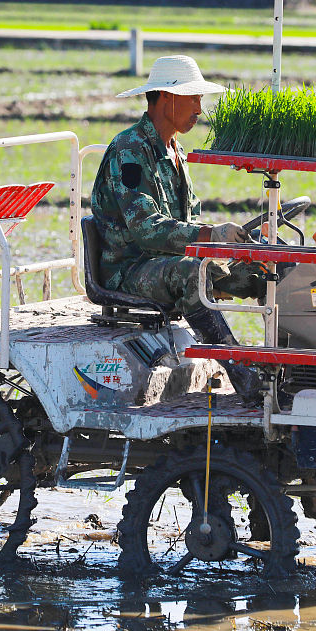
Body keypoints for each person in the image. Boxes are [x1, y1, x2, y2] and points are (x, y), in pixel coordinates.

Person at [90, 55, 267, 404]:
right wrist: (212, 236)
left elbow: (188, 219)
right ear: (167, 97)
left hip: (165, 261)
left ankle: (283, 366)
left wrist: (228, 243)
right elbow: (146, 230)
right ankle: (241, 372)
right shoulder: (129, 151)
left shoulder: (174, 151)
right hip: (131, 269)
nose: (200, 108)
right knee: (192, 274)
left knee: (261, 269)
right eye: (194, 98)